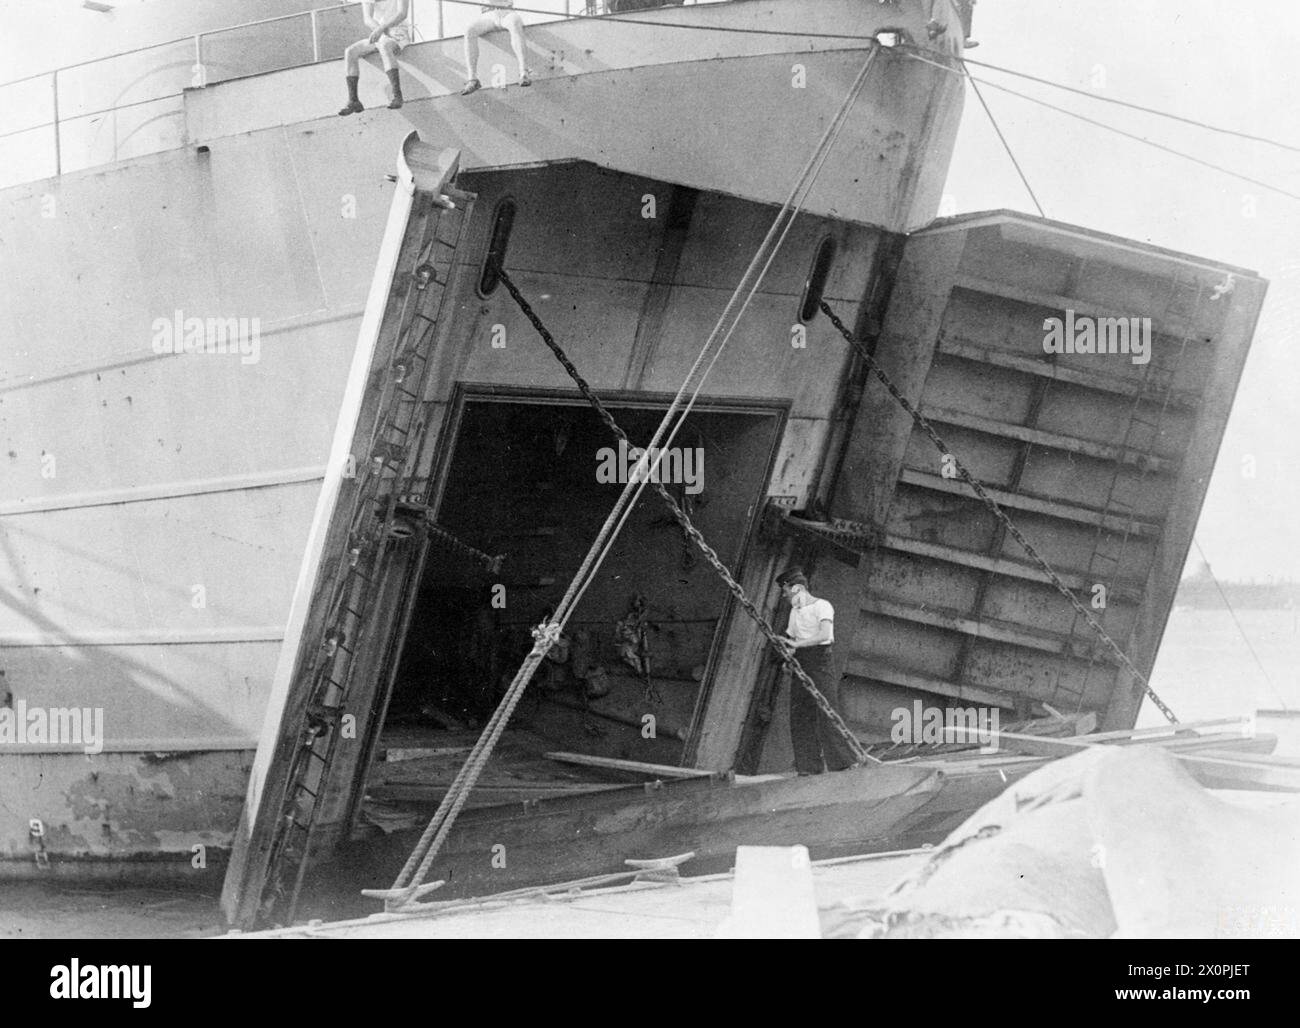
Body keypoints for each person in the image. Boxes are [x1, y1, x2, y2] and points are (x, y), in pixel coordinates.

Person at [774, 569, 858, 775]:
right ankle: (808, 768)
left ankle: (843, 764)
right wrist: (789, 657)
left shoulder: (822, 606)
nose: (784, 596)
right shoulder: (795, 612)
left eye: (786, 591)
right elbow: (794, 641)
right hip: (801, 662)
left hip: (820, 661)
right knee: (800, 716)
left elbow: (825, 634)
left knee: (827, 712)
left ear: (797, 588)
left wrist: (796, 644)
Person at [339, 0, 412, 116]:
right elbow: (367, 19)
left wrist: (382, 29)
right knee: (350, 52)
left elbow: (402, 13)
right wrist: (381, 30)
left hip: (398, 31)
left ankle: (397, 95)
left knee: (384, 46)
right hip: (381, 33)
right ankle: (353, 101)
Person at [461, 1, 531, 95]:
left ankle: (524, 73)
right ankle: (472, 79)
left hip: (507, 12)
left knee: (515, 23)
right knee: (469, 31)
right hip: (487, 15)